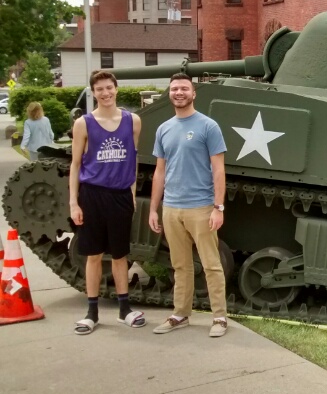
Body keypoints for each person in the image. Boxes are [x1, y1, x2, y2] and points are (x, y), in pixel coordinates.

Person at [148, 73, 228, 337]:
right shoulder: (164, 129)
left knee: (211, 265)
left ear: (194, 93)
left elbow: (218, 169)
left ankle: (219, 318)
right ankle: (180, 314)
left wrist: (219, 207)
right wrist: (153, 208)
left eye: (184, 88)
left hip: (201, 206)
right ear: (169, 93)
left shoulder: (208, 126)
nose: (179, 92)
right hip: (172, 207)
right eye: (174, 89)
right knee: (180, 265)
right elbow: (160, 171)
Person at [69, 71, 145, 334]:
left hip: (120, 195)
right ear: (93, 92)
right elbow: (76, 164)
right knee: (94, 255)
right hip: (93, 194)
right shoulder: (84, 124)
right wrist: (73, 203)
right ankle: (92, 312)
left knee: (120, 255)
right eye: (99, 89)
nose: (105, 93)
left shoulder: (133, 121)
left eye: (109, 88)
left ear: (116, 89)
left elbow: (132, 160)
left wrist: (132, 193)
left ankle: (124, 310)